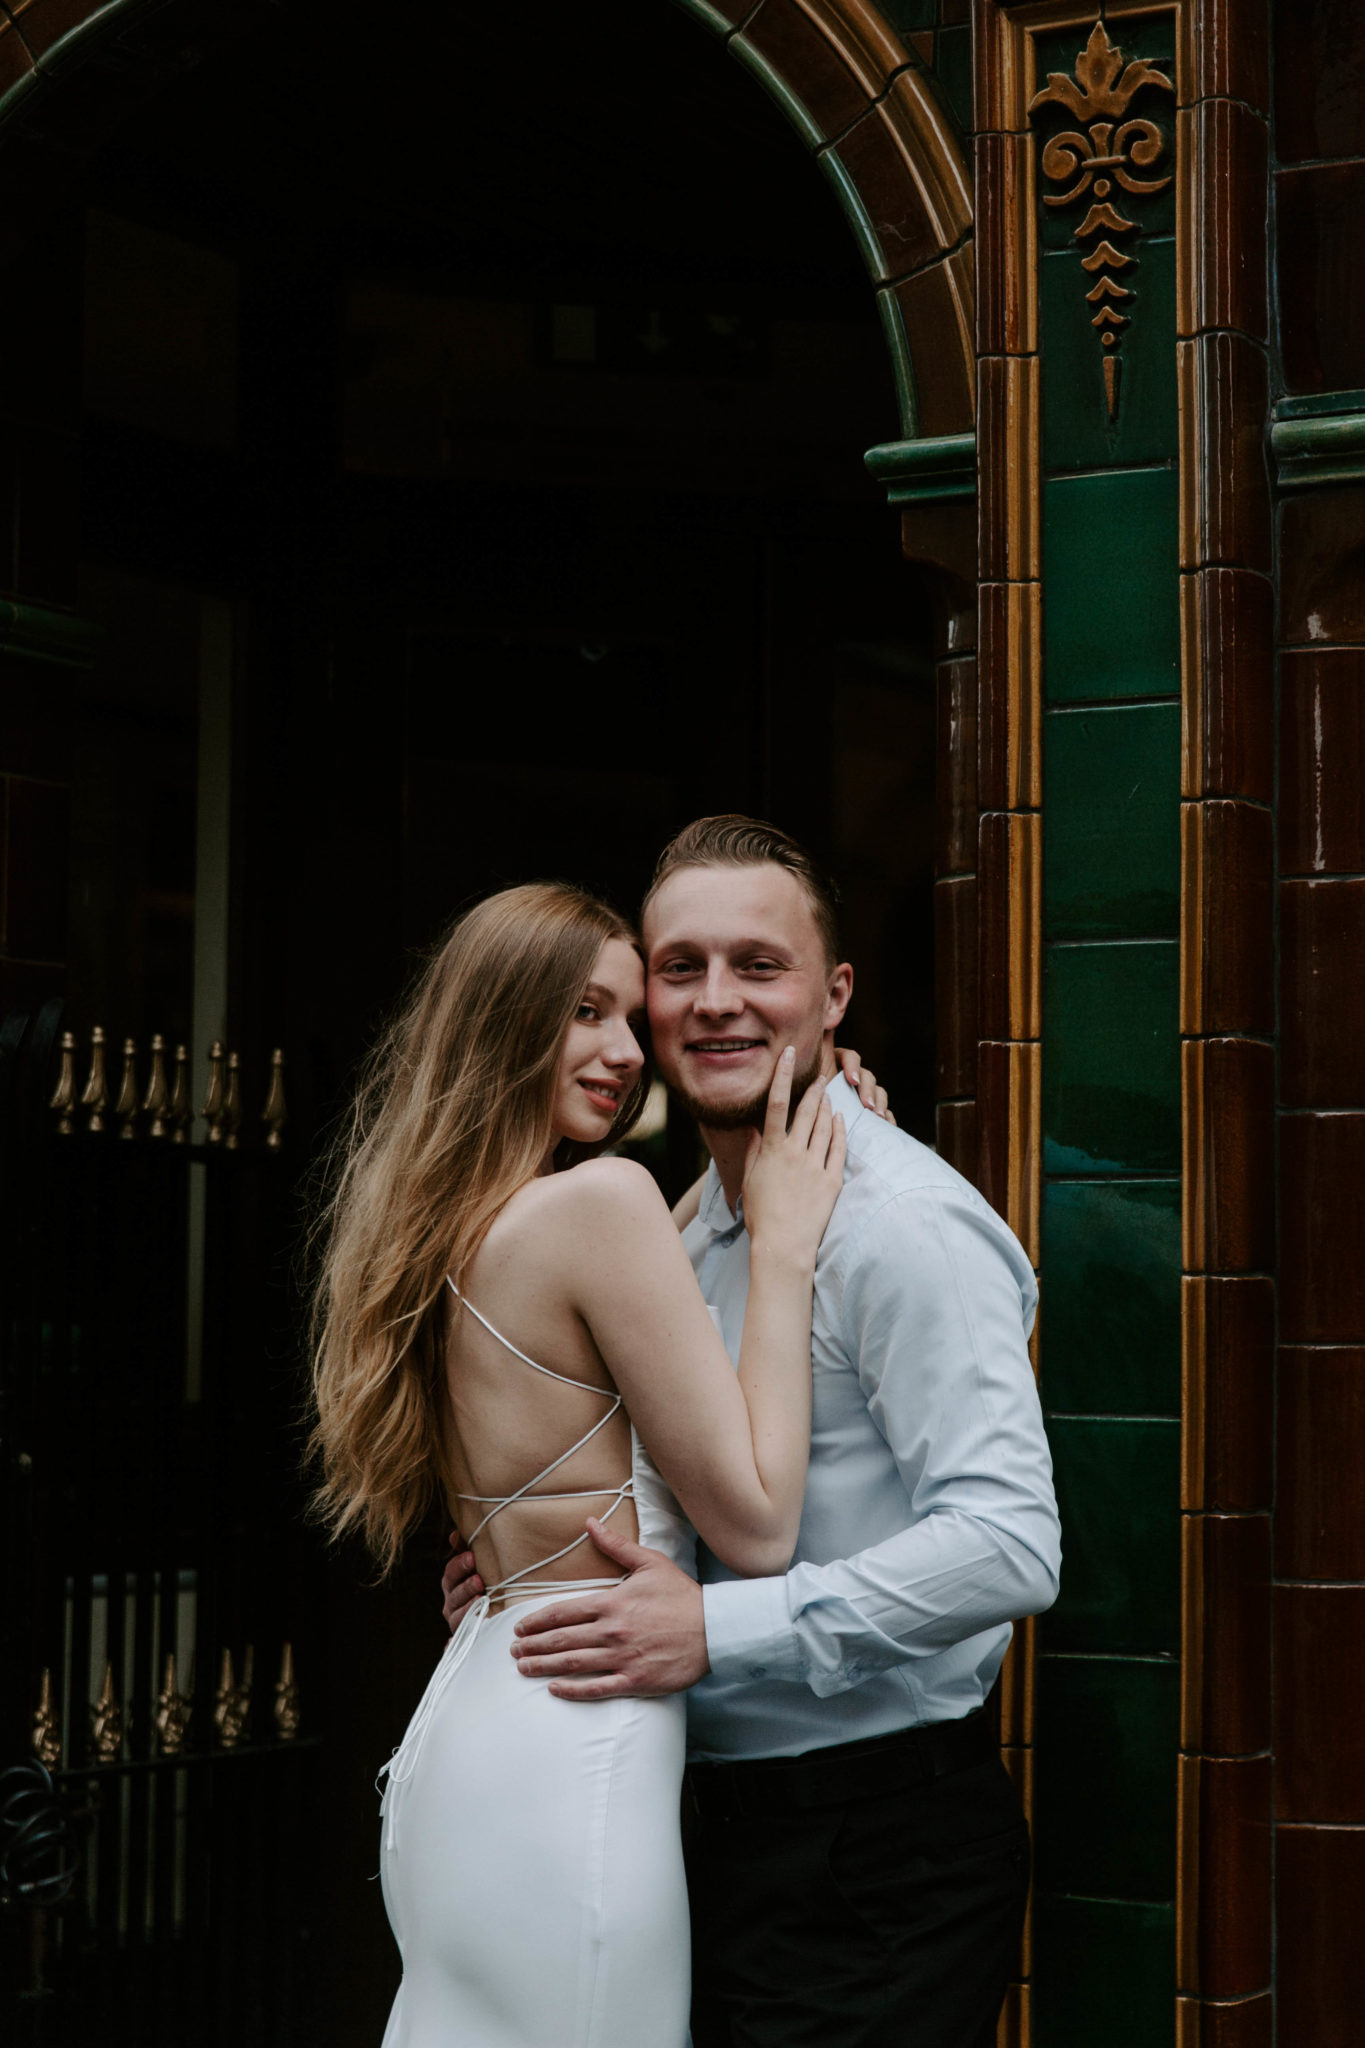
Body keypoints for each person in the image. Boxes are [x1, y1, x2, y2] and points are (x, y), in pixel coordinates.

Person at [444, 816, 1062, 2048]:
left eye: (758, 967)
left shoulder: (902, 1226)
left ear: (833, 995)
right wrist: (544, 1569)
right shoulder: (680, 1230)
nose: (715, 1002)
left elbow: (1010, 1543)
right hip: (689, 1828)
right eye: (681, 969)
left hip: (873, 1857)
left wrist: (711, 1629)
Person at [307, 878, 855, 2048]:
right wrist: (788, 1245)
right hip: (577, 1745)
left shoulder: (454, 1226)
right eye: (584, 1012)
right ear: (505, 1024)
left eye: (624, 1013)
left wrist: (787, 1114)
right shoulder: (599, 1202)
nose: (624, 1050)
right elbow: (757, 1524)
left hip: (474, 1725)